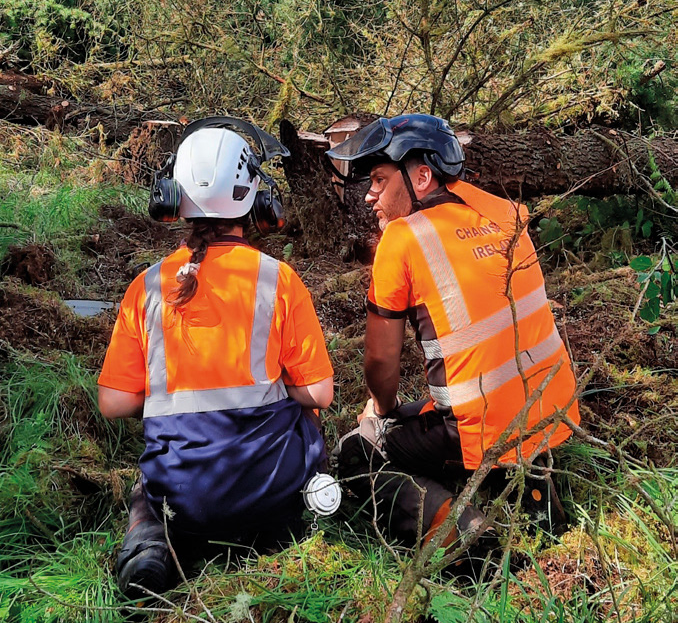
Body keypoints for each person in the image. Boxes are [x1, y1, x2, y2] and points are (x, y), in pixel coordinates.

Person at [98, 118, 334, 595]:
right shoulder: (278, 279)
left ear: (172, 197)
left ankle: (148, 542)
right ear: (256, 200)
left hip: (183, 503)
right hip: (271, 500)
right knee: (306, 414)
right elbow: (322, 394)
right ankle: (311, 510)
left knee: (148, 485)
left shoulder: (145, 288)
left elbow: (112, 403)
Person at [327, 114, 579, 551]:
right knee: (421, 413)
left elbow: (381, 362)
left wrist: (381, 412)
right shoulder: (506, 215)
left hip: (481, 426)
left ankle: (461, 536)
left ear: (422, 175)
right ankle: (536, 493)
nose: (370, 195)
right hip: (551, 405)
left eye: (381, 180)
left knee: (358, 448)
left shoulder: (403, 238)